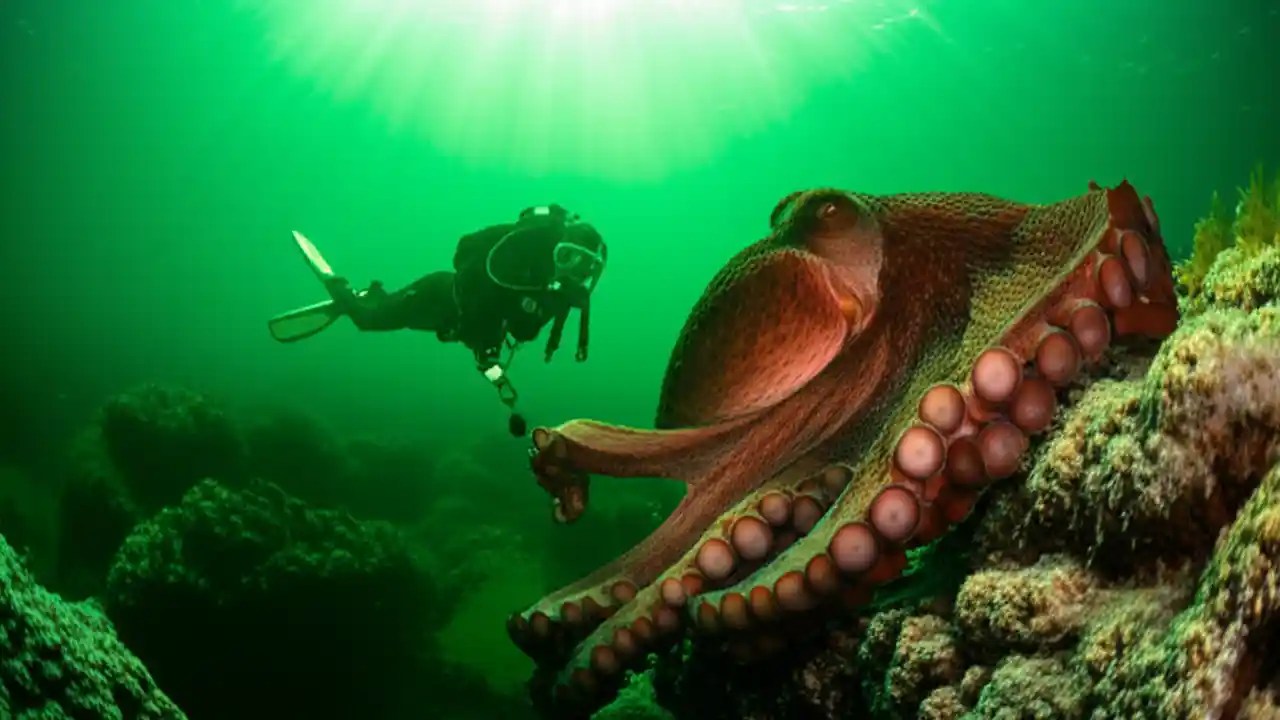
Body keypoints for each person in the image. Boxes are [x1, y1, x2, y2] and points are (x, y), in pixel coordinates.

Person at [268, 204, 607, 435]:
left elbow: (521, 329)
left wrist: (547, 305)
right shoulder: (509, 264)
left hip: (448, 325)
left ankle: (374, 296)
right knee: (367, 321)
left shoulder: (549, 293)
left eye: (582, 266)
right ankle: (340, 289)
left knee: (384, 312)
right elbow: (481, 290)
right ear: (553, 248)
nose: (571, 269)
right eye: (567, 256)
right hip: (437, 295)